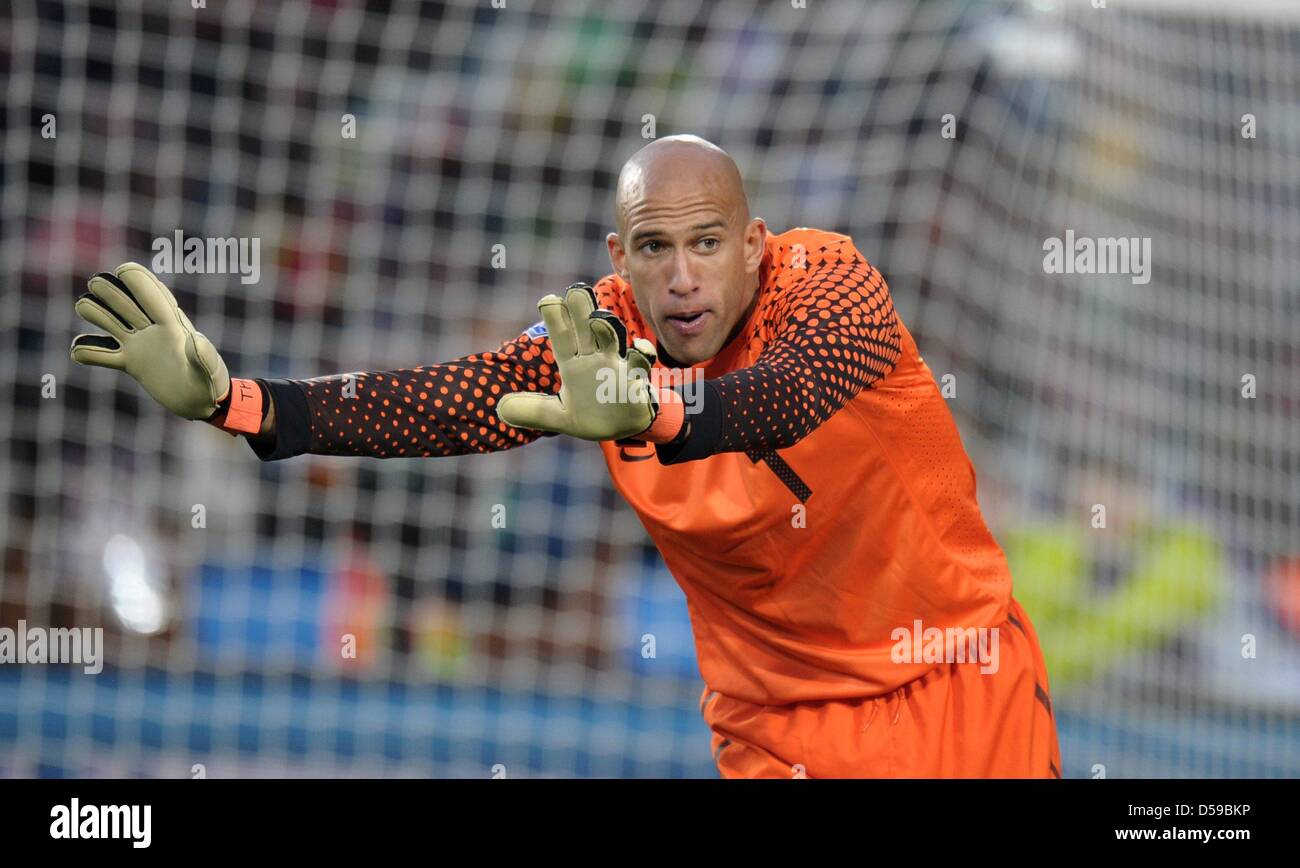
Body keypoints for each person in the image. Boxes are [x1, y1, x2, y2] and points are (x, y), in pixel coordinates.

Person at [70, 134, 1061, 778]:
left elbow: (785, 395)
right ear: (617, 255)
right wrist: (235, 401)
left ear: (754, 244)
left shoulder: (833, 286)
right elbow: (440, 402)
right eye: (652, 248)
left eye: (707, 244)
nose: (680, 278)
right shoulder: (598, 339)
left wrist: (659, 413)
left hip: (960, 684)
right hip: (777, 727)